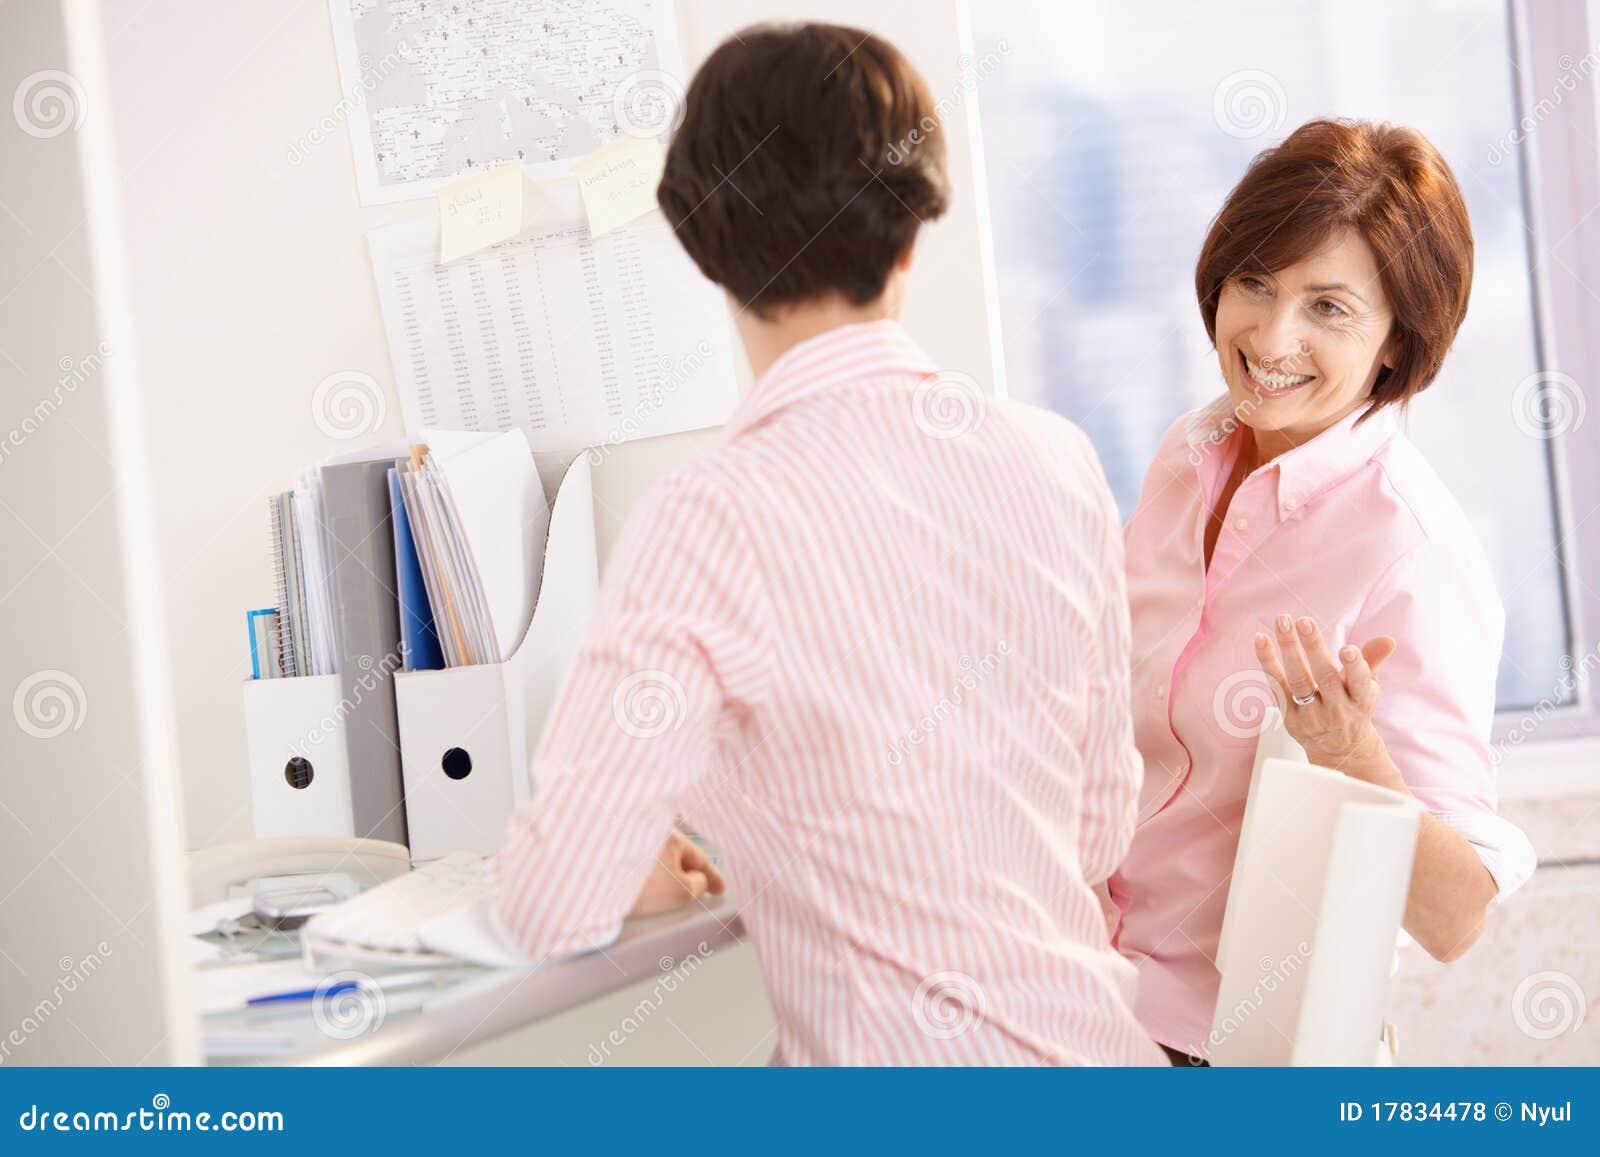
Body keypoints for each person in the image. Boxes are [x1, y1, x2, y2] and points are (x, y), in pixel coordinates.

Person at [489, 22, 1164, 1065]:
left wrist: (639, 852)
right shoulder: (1056, 458)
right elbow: (1094, 831)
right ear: (909, 236)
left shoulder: (708, 515)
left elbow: (551, 901)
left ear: (705, 249)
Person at [1109, 119, 1537, 1066]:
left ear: (1395, 344)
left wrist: (1350, 752)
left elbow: (1456, 915)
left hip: (1231, 1059)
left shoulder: (1411, 551)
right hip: (1087, 1006)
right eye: (1255, 282)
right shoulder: (1190, 454)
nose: (1271, 335)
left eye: (1329, 308)